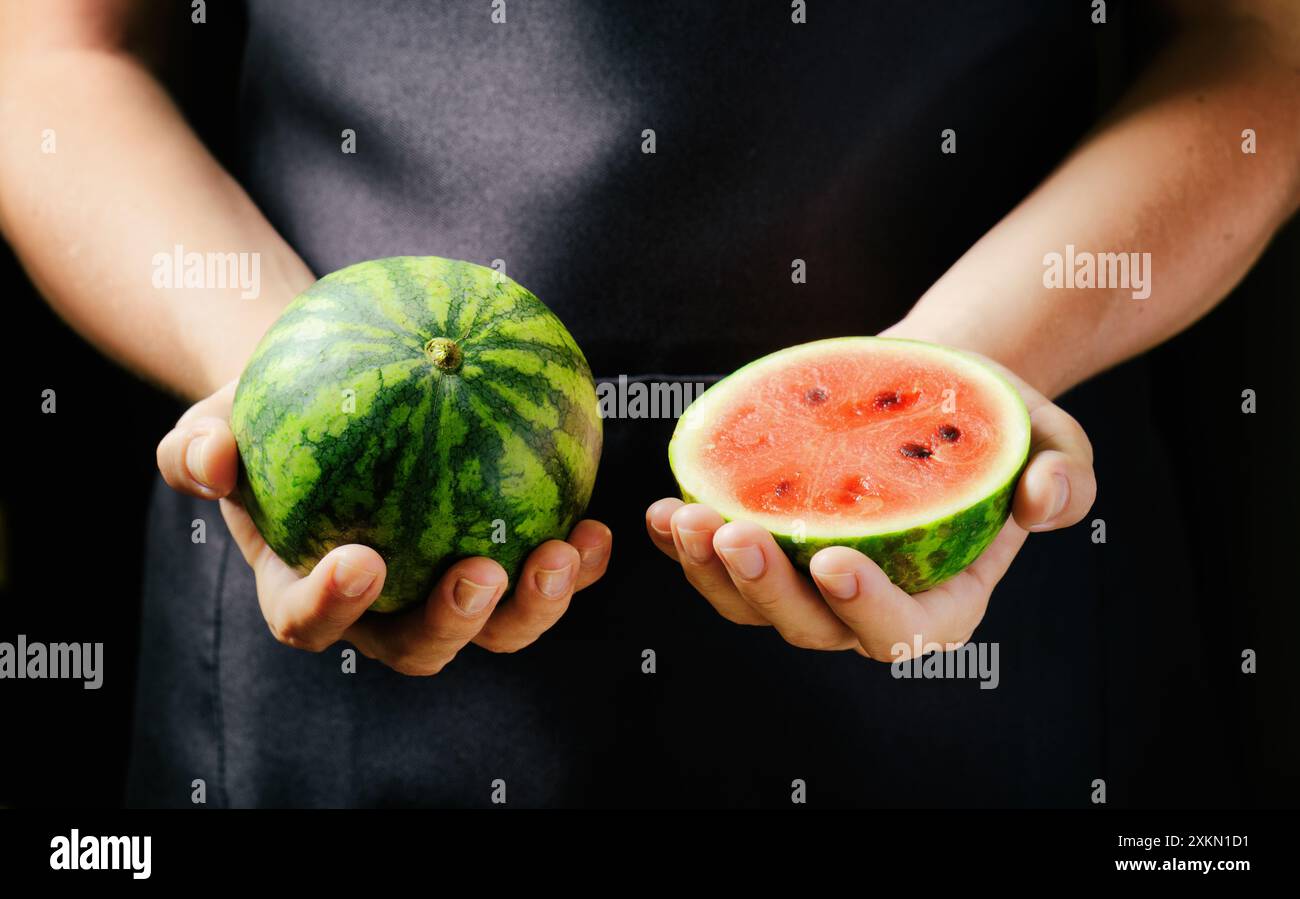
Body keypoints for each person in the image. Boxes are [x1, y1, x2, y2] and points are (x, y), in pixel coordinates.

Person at [2, 0, 1296, 807]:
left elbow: (1258, 44)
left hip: (981, 614)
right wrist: (282, 376)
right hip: (333, 606)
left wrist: (965, 360)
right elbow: (53, 58)